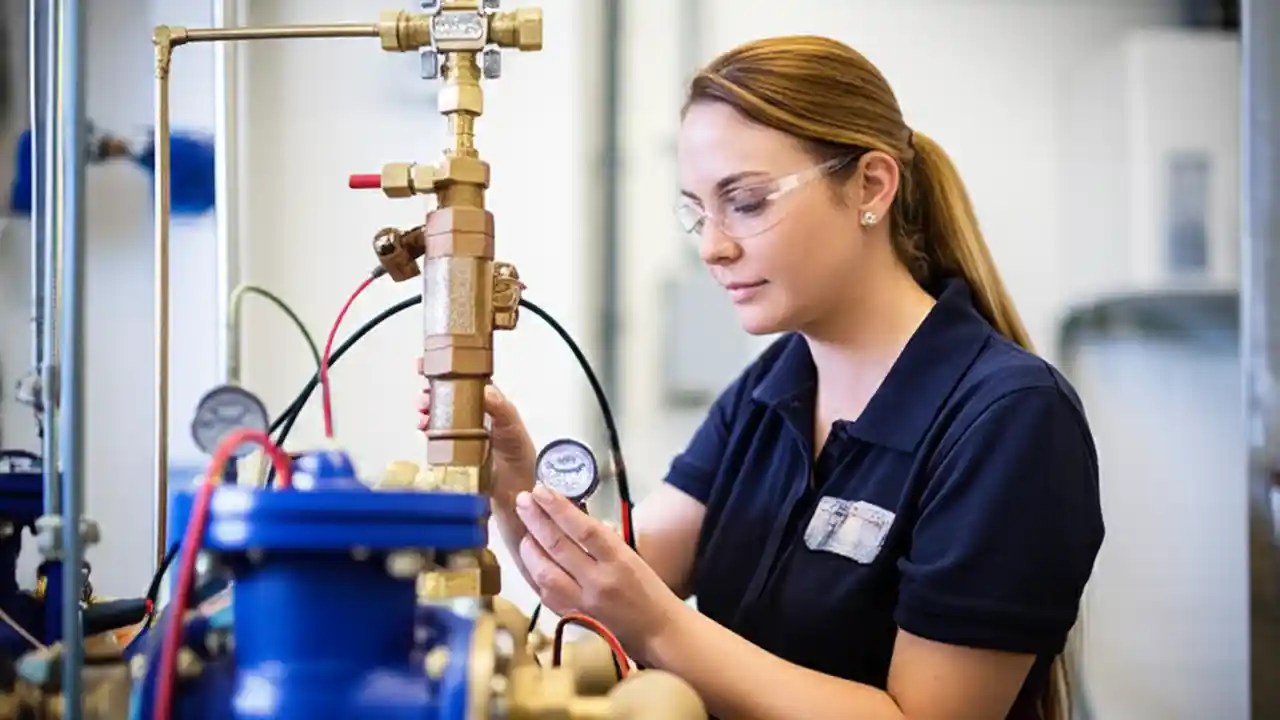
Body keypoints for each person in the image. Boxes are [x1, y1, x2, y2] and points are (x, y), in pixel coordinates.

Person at [418, 35, 1104, 720]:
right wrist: (513, 485)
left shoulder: (1010, 419)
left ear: (871, 186)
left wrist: (659, 626)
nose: (712, 247)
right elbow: (608, 581)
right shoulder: (775, 384)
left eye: (745, 202)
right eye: (696, 213)